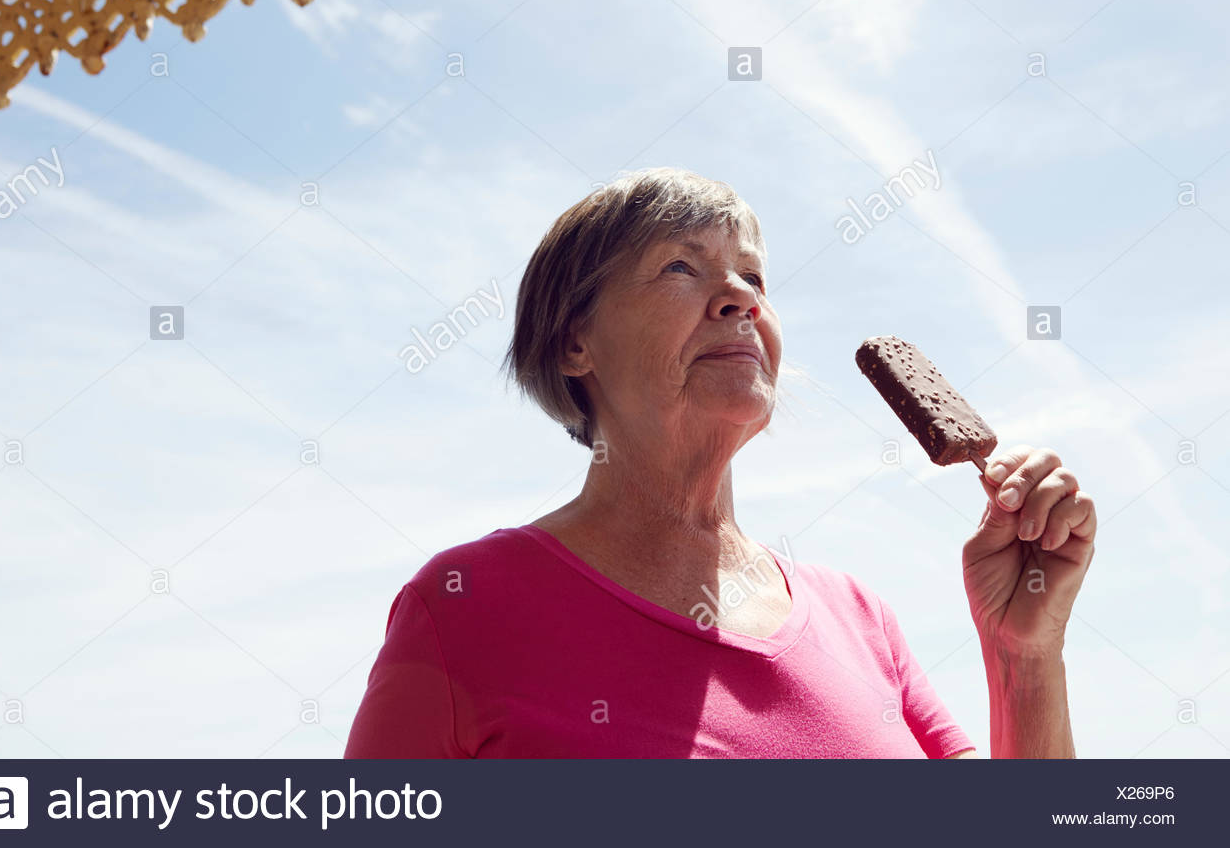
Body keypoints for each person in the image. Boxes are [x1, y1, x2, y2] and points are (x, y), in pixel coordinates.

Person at [344, 168, 1097, 758]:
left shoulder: (860, 618)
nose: (740, 297)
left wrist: (1024, 657)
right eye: (682, 266)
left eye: (754, 277)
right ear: (576, 342)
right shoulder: (464, 606)